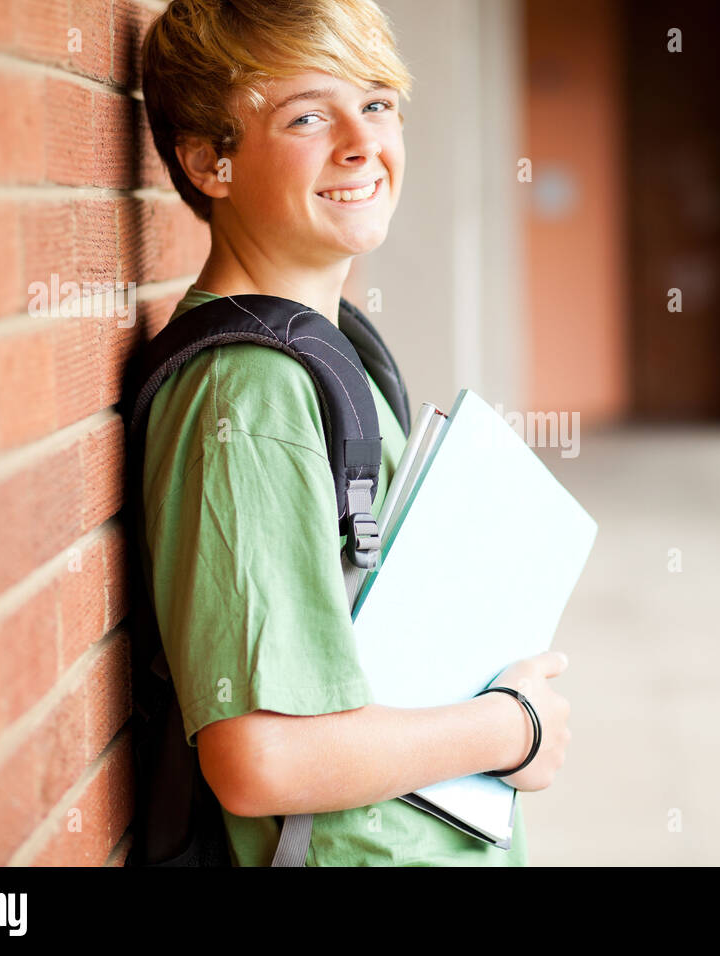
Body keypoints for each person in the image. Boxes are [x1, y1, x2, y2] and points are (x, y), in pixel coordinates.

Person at [137, 0, 571, 866]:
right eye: (307, 115)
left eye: (376, 103)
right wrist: (506, 728)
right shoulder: (249, 396)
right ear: (207, 161)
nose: (361, 142)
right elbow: (258, 760)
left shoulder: (333, 350)